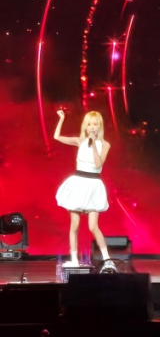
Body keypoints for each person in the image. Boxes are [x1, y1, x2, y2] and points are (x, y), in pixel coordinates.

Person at [54, 110, 113, 268]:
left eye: (95, 124)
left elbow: (98, 164)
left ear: (100, 126)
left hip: (93, 185)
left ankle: (107, 260)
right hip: (79, 183)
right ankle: (74, 260)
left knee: (93, 226)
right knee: (74, 225)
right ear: (85, 126)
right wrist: (62, 119)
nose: (92, 127)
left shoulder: (105, 144)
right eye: (89, 124)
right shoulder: (80, 140)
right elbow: (57, 137)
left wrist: (93, 145)